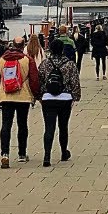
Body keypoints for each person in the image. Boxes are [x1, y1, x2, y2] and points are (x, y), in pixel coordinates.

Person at [0, 37, 40, 168]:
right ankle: (22, 154)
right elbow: (34, 80)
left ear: (12, 45)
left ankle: (4, 154)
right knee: (22, 124)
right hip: (23, 97)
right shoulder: (27, 60)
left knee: (6, 125)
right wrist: (35, 96)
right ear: (23, 46)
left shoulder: (1, 60)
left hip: (6, 98)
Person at [37, 36, 82, 166]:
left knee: (49, 128)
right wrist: (75, 96)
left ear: (50, 49)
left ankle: (47, 157)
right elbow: (75, 82)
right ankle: (63, 152)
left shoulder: (45, 64)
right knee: (63, 126)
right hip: (65, 99)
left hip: (48, 99)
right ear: (62, 49)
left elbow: (39, 81)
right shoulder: (69, 64)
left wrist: (40, 96)